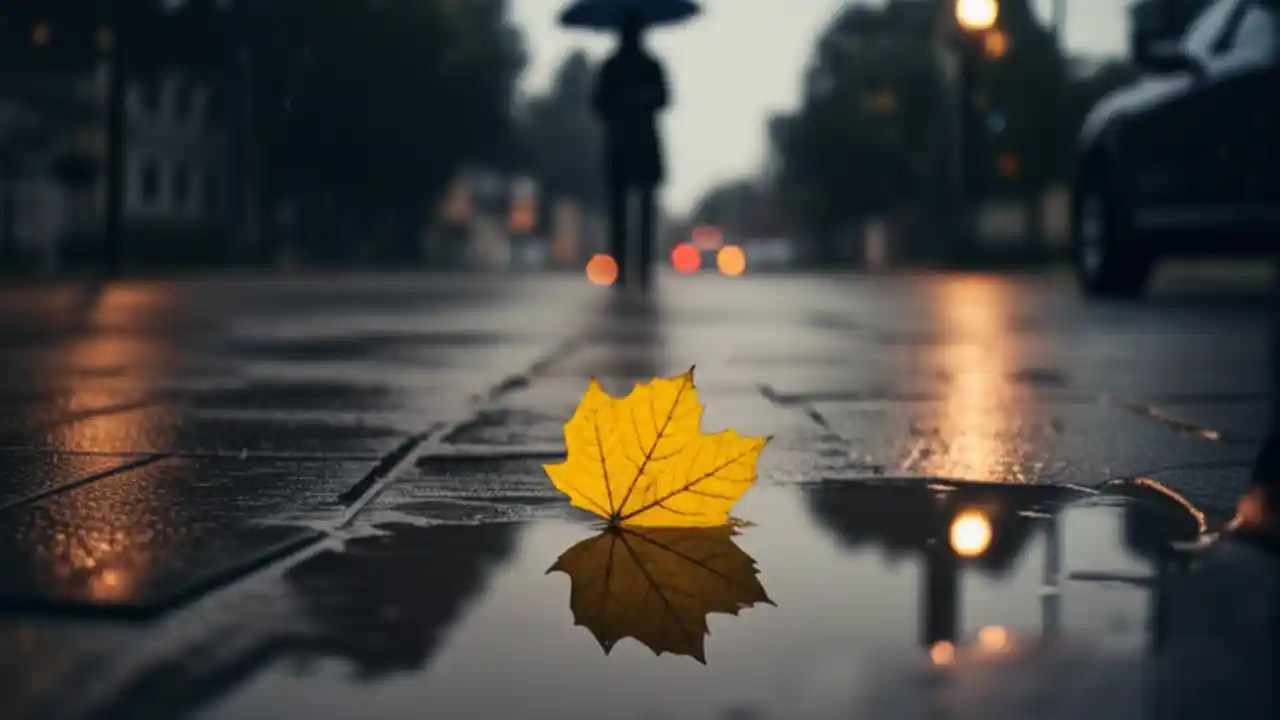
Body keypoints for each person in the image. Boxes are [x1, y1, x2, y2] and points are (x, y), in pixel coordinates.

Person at [592, 11, 669, 292]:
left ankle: (642, 267)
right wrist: (623, 104)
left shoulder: (649, 66)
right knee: (620, 210)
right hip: (624, 143)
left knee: (641, 208)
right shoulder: (612, 67)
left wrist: (642, 99)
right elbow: (598, 104)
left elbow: (664, 99)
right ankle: (623, 268)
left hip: (639, 143)